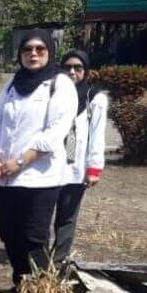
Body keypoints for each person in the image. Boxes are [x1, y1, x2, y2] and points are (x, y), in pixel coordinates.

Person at [0, 30, 77, 288]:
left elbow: (55, 132)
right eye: (27, 49)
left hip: (39, 177)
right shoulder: (12, 84)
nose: (33, 54)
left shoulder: (60, 84)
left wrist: (21, 162)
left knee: (33, 238)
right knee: (8, 233)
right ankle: (20, 286)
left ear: (50, 51)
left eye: (40, 49)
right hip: (6, 177)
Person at [53, 50, 106, 265]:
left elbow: (97, 135)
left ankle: (58, 259)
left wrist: (94, 168)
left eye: (78, 68)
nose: (72, 72)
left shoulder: (95, 99)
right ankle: (38, 255)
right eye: (67, 67)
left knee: (67, 216)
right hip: (49, 167)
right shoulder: (52, 95)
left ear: (86, 71)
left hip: (76, 169)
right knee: (41, 215)